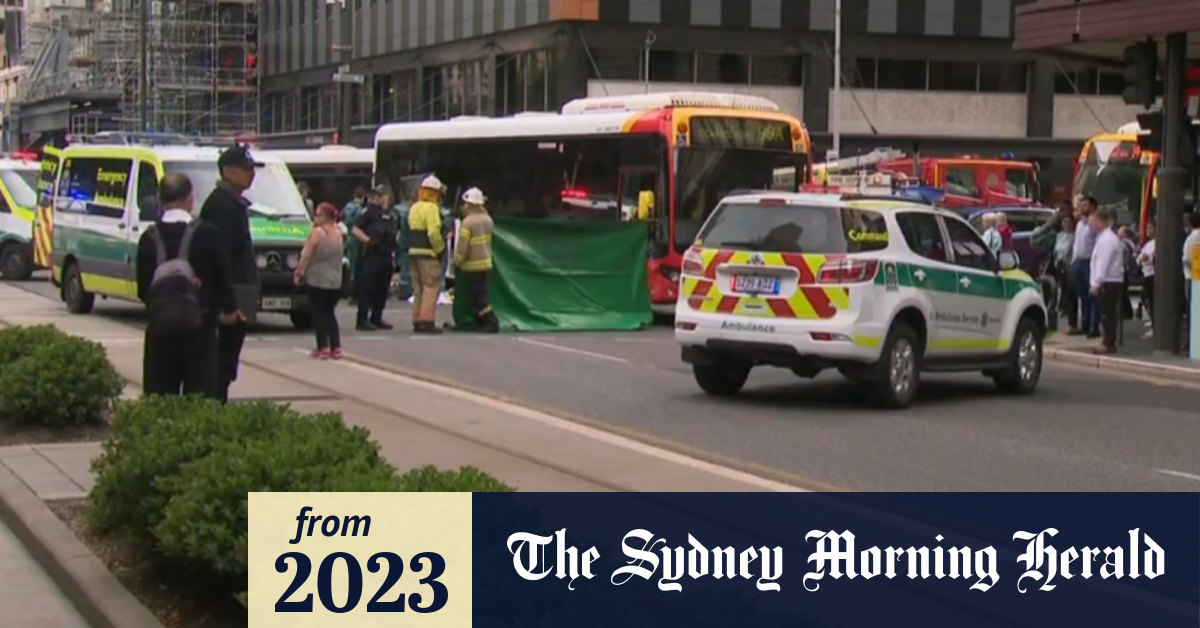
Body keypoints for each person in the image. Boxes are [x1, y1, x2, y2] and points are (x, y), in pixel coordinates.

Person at [137, 174, 240, 398]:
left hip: (159, 331)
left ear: (159, 199)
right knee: (199, 398)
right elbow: (224, 280)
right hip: (200, 331)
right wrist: (229, 311)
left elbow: (143, 289)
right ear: (190, 199)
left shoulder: (148, 238)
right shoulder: (208, 234)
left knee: (160, 399)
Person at [198, 145, 257, 404]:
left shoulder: (234, 203)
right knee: (219, 368)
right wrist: (228, 305)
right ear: (227, 172)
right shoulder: (221, 205)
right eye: (245, 170)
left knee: (226, 367)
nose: (251, 175)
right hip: (226, 301)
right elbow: (218, 259)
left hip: (236, 296)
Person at [295, 202, 345, 359]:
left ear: (325, 217)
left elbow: (307, 254)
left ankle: (322, 347)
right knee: (330, 313)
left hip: (317, 278)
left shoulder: (317, 233)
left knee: (318, 313)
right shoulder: (339, 233)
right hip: (335, 279)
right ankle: (336, 346)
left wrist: (299, 271)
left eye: (318, 214)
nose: (315, 217)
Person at [352, 185, 398, 331]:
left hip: (387, 254)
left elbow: (398, 230)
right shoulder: (368, 212)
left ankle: (376, 317)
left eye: (381, 195)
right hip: (372, 255)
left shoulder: (392, 213)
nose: (378, 198)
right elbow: (355, 229)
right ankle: (362, 319)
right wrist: (367, 240)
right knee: (367, 288)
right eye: (377, 195)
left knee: (382, 289)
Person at [452, 187, 499, 333]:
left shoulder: (468, 222)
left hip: (471, 266)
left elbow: (462, 247)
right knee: (480, 294)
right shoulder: (488, 220)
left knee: (478, 298)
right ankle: (480, 322)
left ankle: (491, 322)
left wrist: (456, 263)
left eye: (466, 203)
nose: (464, 206)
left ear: (470, 204)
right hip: (485, 263)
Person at [408, 175, 447, 334]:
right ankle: (427, 321)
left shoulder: (415, 207)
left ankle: (417, 319)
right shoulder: (432, 208)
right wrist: (440, 249)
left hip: (413, 253)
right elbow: (433, 233)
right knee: (430, 287)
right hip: (428, 254)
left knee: (418, 289)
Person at [1089, 208, 1125, 355]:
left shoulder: (1108, 239)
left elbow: (1103, 263)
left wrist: (1097, 283)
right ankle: (1107, 340)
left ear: (1101, 221)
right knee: (1106, 312)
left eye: (1093, 222)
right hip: (1108, 280)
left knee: (1107, 314)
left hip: (1109, 281)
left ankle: (1109, 343)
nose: (1091, 225)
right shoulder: (1103, 237)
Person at [1069, 196, 1100, 338]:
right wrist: (1074, 260)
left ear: (1093, 208)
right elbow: (1076, 243)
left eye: (1086, 205)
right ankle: (1085, 324)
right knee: (1082, 295)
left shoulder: (1094, 225)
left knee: (1092, 296)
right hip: (1078, 261)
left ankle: (1094, 327)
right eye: (1081, 205)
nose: (1082, 208)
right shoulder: (1079, 224)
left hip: (1090, 262)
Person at [342, 187, 367, 302]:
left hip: (349, 237)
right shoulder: (359, 209)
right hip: (357, 238)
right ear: (362, 198)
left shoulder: (347, 206)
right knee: (356, 267)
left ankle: (348, 291)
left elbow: (343, 218)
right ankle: (353, 294)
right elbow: (359, 222)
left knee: (350, 264)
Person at [394, 188, 414, 301]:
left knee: (404, 269)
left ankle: (403, 290)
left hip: (403, 243)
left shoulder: (402, 212)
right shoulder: (410, 214)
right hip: (409, 244)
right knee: (407, 270)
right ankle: (405, 292)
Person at [1138, 221, 1157, 338]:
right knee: (1148, 299)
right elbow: (1139, 258)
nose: (1148, 231)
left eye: (1151, 228)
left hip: (1153, 274)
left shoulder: (1159, 243)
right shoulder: (1148, 244)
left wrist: (1148, 258)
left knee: (1154, 301)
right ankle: (1153, 322)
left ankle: (1156, 326)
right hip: (1146, 273)